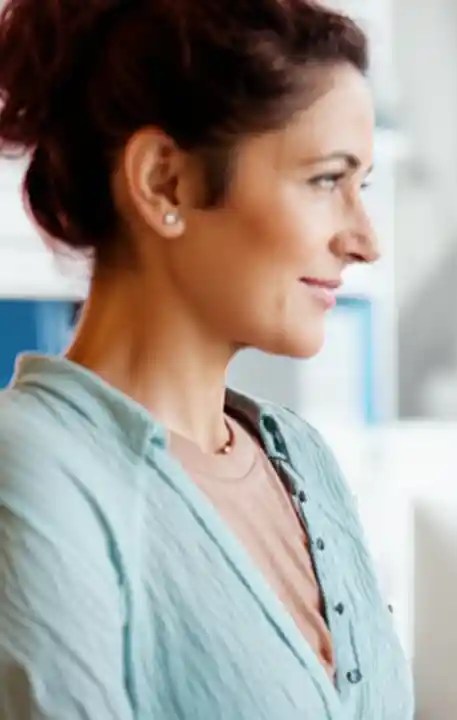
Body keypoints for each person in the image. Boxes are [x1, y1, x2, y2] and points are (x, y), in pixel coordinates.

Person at [0, 1, 412, 717]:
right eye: (325, 180)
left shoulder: (302, 459)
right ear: (166, 182)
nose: (365, 239)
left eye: (363, 186)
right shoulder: (35, 471)